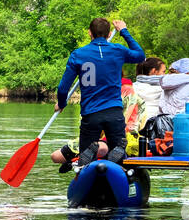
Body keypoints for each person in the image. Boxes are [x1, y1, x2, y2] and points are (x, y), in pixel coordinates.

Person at [49, 18, 145, 171]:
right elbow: (140, 55)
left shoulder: (78, 54)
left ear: (89, 32)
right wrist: (124, 31)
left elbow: (62, 88)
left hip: (91, 114)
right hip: (114, 113)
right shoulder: (118, 50)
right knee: (119, 158)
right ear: (108, 34)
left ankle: (87, 165)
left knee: (85, 162)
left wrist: (61, 103)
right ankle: (117, 167)